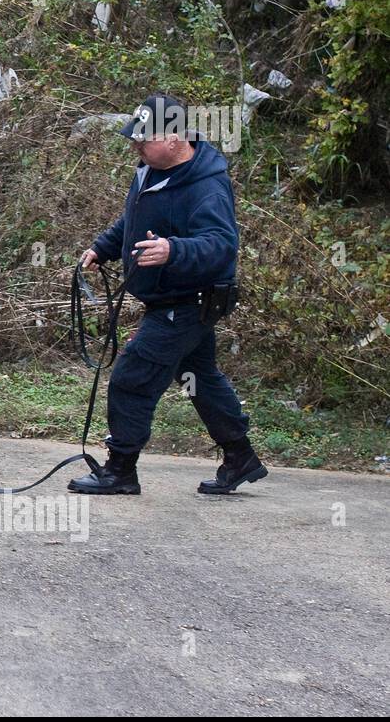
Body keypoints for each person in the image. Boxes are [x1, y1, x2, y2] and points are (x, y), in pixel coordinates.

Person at [69, 94, 268, 497]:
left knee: (132, 377)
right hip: (174, 301)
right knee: (200, 379)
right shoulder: (151, 170)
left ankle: (120, 470)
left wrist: (173, 250)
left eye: (144, 140)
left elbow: (220, 245)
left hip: (188, 302)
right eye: (134, 140)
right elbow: (134, 219)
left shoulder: (206, 186)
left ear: (176, 137)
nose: (136, 147)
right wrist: (104, 246)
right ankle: (240, 456)